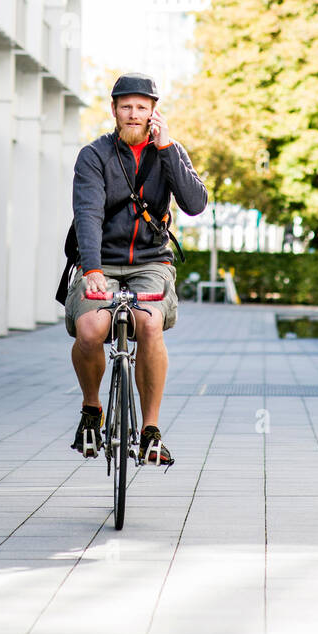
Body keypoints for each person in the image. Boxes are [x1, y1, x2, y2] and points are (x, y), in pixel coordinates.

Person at [64, 73, 208, 466]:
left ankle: (150, 431)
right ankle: (92, 409)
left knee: (148, 324)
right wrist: (91, 269)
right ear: (113, 110)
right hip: (101, 262)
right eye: (125, 106)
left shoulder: (170, 151)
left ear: (153, 113)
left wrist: (168, 150)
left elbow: (195, 203)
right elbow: (88, 214)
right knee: (91, 329)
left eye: (141, 107)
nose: (133, 114)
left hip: (151, 262)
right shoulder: (94, 156)